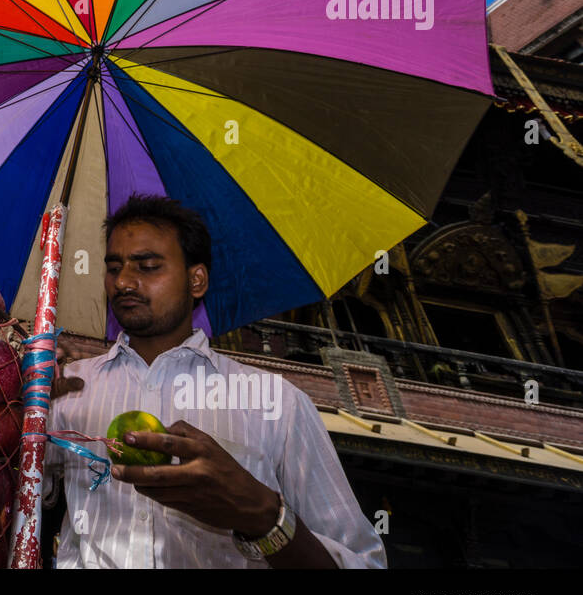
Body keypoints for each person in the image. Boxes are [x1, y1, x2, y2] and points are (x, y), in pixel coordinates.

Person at [42, 194, 385, 568]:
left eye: (148, 266)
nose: (123, 282)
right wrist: (17, 412)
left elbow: (363, 563)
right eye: (114, 267)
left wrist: (262, 515)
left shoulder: (277, 403)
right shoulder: (67, 388)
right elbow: (13, 500)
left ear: (197, 279)